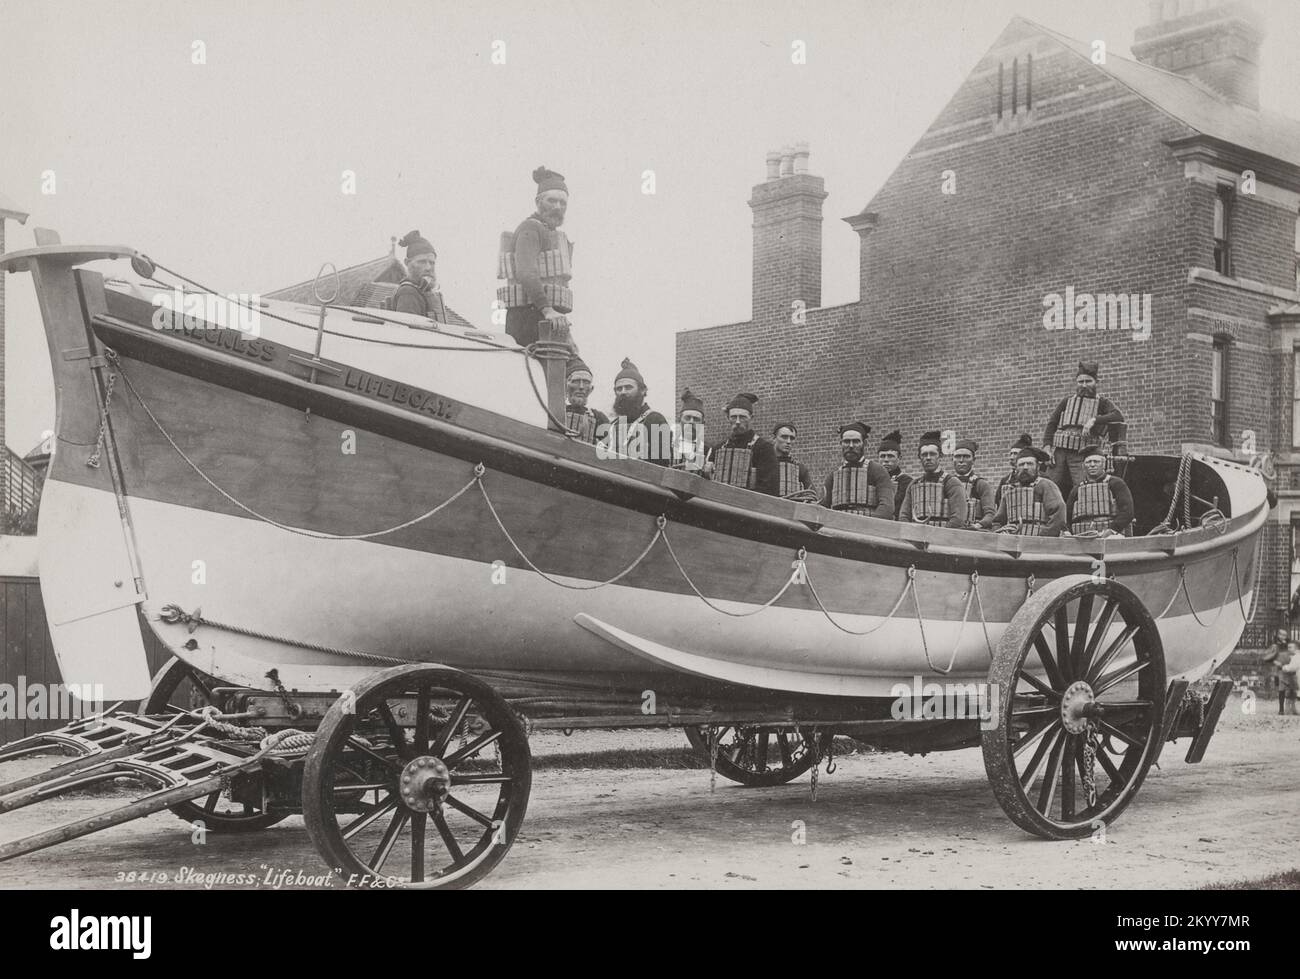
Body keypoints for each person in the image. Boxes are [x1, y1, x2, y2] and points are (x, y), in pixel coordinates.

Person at [497, 166, 575, 350]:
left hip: (549, 320)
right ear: (538, 202)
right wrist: (547, 310)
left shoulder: (550, 233)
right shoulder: (531, 229)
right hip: (531, 319)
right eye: (552, 201)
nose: (558, 207)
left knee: (573, 361)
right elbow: (526, 272)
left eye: (563, 203)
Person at [1045, 361, 1125, 498]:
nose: (1084, 385)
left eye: (1088, 381)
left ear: (1096, 382)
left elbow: (1118, 415)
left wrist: (1094, 420)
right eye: (1080, 381)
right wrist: (1047, 447)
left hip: (1082, 453)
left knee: (1084, 488)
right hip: (1060, 452)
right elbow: (1052, 423)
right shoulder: (1067, 401)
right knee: (1048, 485)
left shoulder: (1102, 403)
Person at [599, 358, 671, 467]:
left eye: (628, 387)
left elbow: (661, 467)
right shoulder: (613, 425)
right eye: (619, 389)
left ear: (642, 390)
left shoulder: (655, 420)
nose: (623, 392)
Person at [705, 394, 780, 495]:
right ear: (728, 418)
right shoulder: (718, 449)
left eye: (742, 417)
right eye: (733, 417)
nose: (737, 421)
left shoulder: (764, 448)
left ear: (751, 418)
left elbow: (770, 489)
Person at [822, 422, 895, 519]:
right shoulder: (833, 476)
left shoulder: (877, 470)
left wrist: (867, 525)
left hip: (869, 525)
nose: (851, 446)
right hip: (837, 524)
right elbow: (823, 508)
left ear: (865, 443)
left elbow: (887, 507)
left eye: (856, 441)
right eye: (846, 442)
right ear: (841, 444)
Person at [992, 445, 1066, 537]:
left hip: (1040, 540)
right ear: (1016, 468)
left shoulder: (1046, 485)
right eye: (1021, 464)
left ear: (1037, 467)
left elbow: (1058, 515)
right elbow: (997, 521)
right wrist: (1000, 533)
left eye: (1030, 464)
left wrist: (1043, 536)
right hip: (1013, 540)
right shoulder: (1010, 491)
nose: (1025, 467)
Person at [899, 431, 968, 529]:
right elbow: (904, 516)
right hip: (916, 534)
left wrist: (937, 534)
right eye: (924, 454)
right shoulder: (913, 485)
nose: (928, 458)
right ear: (919, 457)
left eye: (932, 454)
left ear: (940, 456)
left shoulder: (952, 483)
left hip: (944, 536)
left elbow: (958, 519)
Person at [1065, 441, 1135, 536]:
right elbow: (1067, 516)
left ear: (1103, 464)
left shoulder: (1116, 483)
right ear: (1083, 466)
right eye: (1088, 462)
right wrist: (1068, 531)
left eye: (1096, 461)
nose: (1092, 465)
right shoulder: (1077, 489)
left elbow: (1127, 512)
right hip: (1083, 536)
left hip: (1112, 535)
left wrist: (1112, 530)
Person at [389, 230, 445, 319]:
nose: (428, 267)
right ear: (407, 263)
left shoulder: (422, 291)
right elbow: (409, 327)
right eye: (422, 262)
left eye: (432, 263)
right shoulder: (408, 292)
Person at [952, 438, 996, 530]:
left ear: (973, 460)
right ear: (952, 459)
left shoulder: (981, 484)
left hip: (974, 533)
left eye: (966, 456)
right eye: (957, 456)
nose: (961, 460)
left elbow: (990, 514)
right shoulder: (947, 484)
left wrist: (977, 526)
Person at [563, 356, 609, 445]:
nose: (581, 387)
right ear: (565, 385)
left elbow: (611, 449)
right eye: (576, 381)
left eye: (586, 382)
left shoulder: (600, 418)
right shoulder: (555, 412)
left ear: (591, 389)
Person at [771, 422, 813, 498]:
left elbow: (812, 495)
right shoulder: (763, 463)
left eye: (792, 438)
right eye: (784, 437)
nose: (788, 441)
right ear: (774, 438)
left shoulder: (800, 469)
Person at [1263, 631, 1299, 716]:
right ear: (1278, 635)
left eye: (1284, 635)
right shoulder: (1275, 646)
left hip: (1291, 668)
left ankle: (1292, 708)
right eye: (1281, 634)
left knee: (1293, 689)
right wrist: (1274, 662)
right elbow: (1266, 657)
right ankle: (1281, 709)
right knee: (1282, 689)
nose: (1282, 636)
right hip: (1281, 670)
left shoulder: (1289, 644)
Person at [878, 430, 913, 515]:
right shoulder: (874, 479)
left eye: (890, 456)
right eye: (882, 456)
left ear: (899, 458)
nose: (886, 460)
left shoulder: (907, 482)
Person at [673, 389, 707, 471]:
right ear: (679, 420)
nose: (691, 422)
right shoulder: (669, 446)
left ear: (702, 424)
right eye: (687, 418)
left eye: (696, 419)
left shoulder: (708, 450)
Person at [996, 434, 1033, 507]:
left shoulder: (1035, 478)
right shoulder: (1005, 481)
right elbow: (997, 502)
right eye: (1011, 454)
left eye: (1015, 454)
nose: (1011, 457)